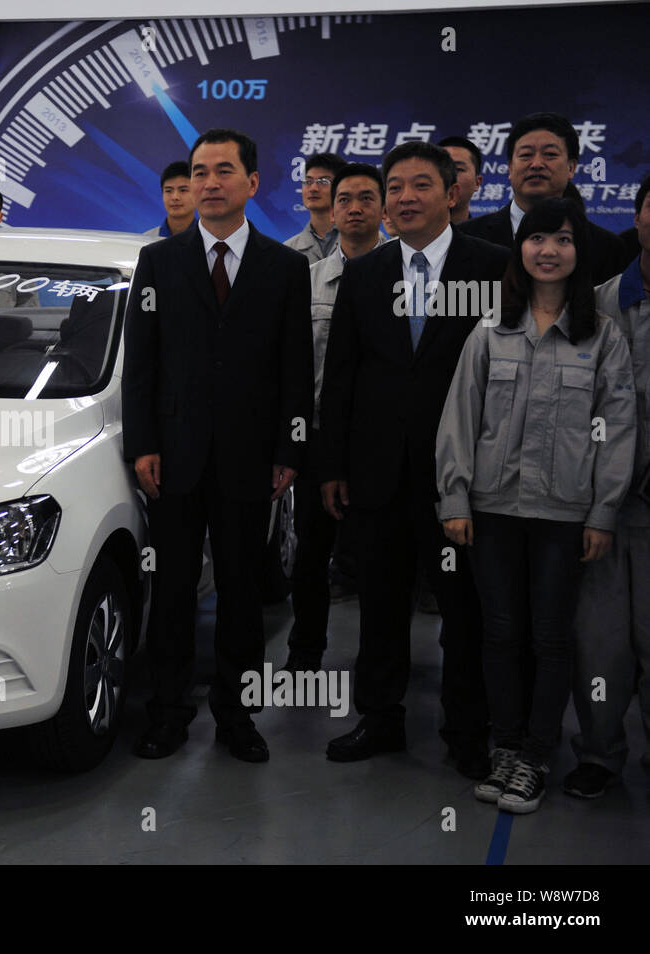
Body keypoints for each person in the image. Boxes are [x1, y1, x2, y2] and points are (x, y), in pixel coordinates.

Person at [318, 141, 511, 777]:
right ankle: (379, 719)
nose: (404, 198)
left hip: (462, 478)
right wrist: (335, 465)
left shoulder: (493, 267)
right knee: (379, 606)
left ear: (452, 193)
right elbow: (342, 373)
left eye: (419, 185)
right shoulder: (367, 271)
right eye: (394, 186)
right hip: (376, 476)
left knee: (464, 611)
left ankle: (466, 732)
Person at [436, 197, 635, 812]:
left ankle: (536, 757)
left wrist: (603, 511)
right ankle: (505, 748)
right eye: (537, 238)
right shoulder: (490, 328)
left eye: (563, 239)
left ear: (580, 253)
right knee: (498, 635)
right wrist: (456, 497)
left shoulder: (602, 336)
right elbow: (459, 420)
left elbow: (617, 425)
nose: (549, 250)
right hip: (492, 511)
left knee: (551, 641)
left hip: (563, 516)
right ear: (520, 251)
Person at [123, 128, 312, 763]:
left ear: (252, 183)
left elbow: (294, 366)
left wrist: (290, 450)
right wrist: (142, 444)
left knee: (241, 592)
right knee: (173, 590)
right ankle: (168, 712)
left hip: (250, 456)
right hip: (172, 456)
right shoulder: (160, 262)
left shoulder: (285, 269)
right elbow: (141, 364)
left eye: (223, 170)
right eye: (200, 171)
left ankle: (237, 716)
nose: (208, 182)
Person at [566, 173, 650, 799]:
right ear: (638, 218)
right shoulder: (596, 307)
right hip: (600, 509)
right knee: (598, 644)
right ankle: (598, 753)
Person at [285, 162, 385, 673]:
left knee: (377, 561)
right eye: (344, 199)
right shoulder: (306, 281)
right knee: (310, 553)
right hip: (320, 437)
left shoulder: (405, 278)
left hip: (380, 441)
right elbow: (291, 366)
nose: (354, 208)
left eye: (366, 198)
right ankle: (305, 653)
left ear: (384, 207)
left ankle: (379, 665)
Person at [460, 113, 630, 281]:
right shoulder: (465, 238)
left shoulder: (606, 247)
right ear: (510, 168)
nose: (536, 164)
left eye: (550, 154)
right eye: (526, 155)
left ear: (571, 168)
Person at [284, 152, 346, 264]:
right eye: (308, 181)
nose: (313, 188)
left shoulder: (364, 240)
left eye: (323, 181)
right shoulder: (287, 249)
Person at [438, 136, 484, 225]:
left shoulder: (490, 238)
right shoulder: (407, 235)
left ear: (477, 182)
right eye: (442, 168)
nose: (448, 175)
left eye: (458, 169)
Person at [143, 161, 195, 238]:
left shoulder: (210, 241)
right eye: (168, 191)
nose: (175, 197)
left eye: (183, 190)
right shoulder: (146, 241)